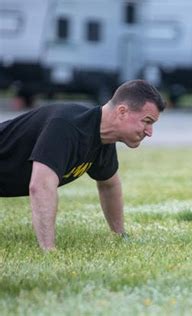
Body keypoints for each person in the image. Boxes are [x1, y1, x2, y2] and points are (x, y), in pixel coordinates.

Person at [0, 79, 166, 250]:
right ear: (122, 112)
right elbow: (40, 186)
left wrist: (120, 236)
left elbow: (109, 186)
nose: (150, 132)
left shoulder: (103, 137)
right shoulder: (66, 125)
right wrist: (49, 251)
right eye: (147, 121)